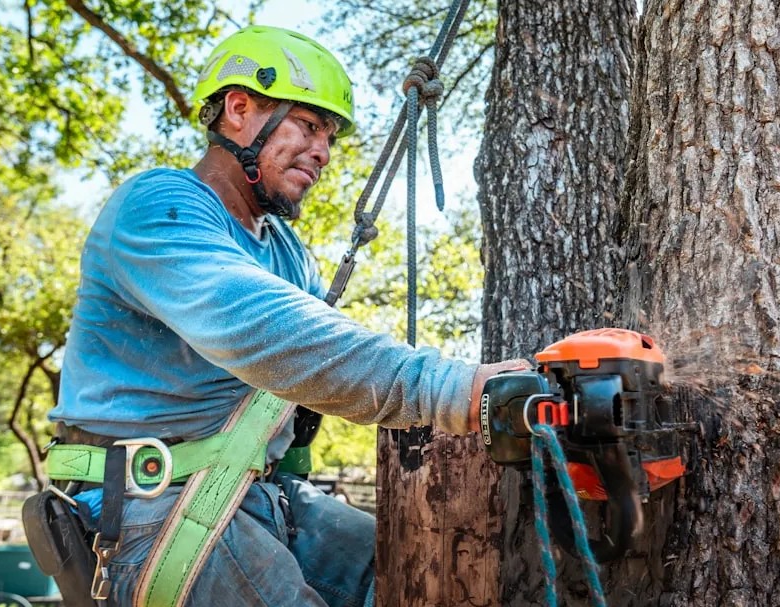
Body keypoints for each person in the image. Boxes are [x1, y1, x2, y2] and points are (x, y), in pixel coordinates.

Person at [45, 25, 525, 607]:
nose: (323, 152)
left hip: (253, 493)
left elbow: (323, 363)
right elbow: (275, 335)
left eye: (329, 136)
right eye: (309, 125)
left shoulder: (286, 251)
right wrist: (462, 390)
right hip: (151, 508)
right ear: (240, 110)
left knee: (430, 571)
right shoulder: (159, 208)